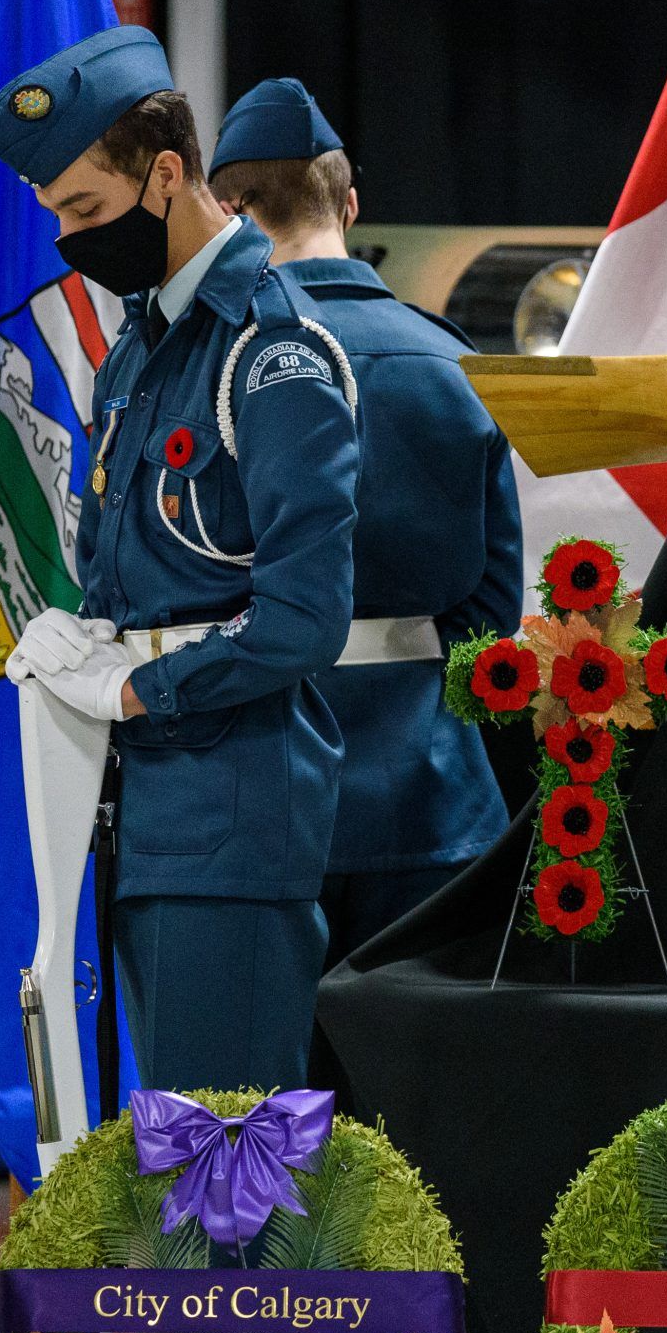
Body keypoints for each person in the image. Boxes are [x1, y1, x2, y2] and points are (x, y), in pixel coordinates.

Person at [0, 27, 362, 1333]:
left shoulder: (268, 355)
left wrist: (137, 697)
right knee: (195, 1176)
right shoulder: (145, 350)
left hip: (227, 810)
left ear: (166, 172)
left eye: (87, 206)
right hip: (156, 822)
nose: (75, 239)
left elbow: (301, 620)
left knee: (233, 1186)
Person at [208, 78, 523, 967]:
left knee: (264, 1095)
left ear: (229, 209)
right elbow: (493, 606)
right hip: (433, 790)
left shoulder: (215, 362)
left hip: (259, 780)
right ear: (350, 203)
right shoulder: (455, 359)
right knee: (420, 1087)